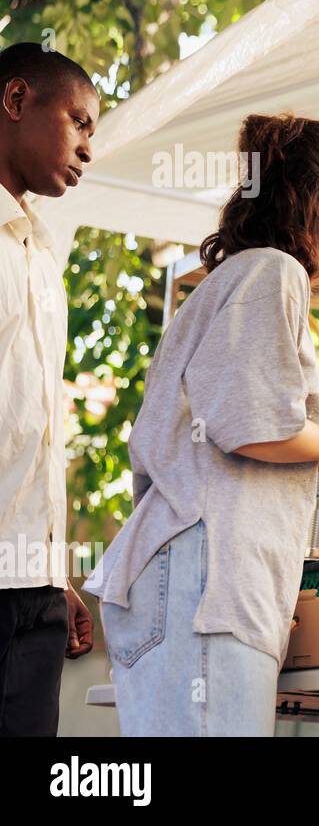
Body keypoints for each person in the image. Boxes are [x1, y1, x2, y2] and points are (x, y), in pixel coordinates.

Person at [84, 114, 319, 736]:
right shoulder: (273, 272)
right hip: (207, 587)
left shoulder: (240, 277)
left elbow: (242, 423)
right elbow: (251, 428)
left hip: (187, 587)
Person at [0, 43, 99, 735]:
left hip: (31, 594)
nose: (89, 148)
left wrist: (49, 572)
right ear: (16, 101)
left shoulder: (41, 256)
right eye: (80, 122)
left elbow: (31, 429)